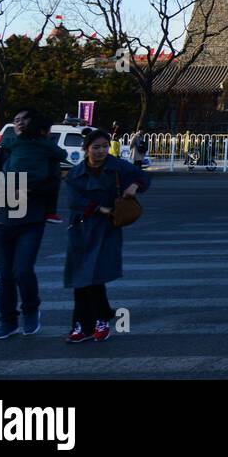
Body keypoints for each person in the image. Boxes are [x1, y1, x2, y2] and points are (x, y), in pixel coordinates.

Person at [63, 128, 150, 343]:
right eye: (96, 147)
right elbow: (74, 201)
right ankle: (89, 322)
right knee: (82, 278)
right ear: (85, 149)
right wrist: (98, 208)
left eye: (104, 147)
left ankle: (90, 322)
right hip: (82, 228)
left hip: (107, 229)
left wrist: (134, 185)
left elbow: (143, 177)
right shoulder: (75, 173)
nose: (101, 151)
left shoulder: (117, 166)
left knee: (95, 275)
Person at [0, 108, 64, 339]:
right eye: (16, 120)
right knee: (4, 275)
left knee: (22, 270)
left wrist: (29, 189)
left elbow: (53, 184)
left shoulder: (43, 152)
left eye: (23, 120)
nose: (19, 124)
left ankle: (31, 311)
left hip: (31, 219)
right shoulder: (6, 149)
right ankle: (7, 321)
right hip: (1, 220)